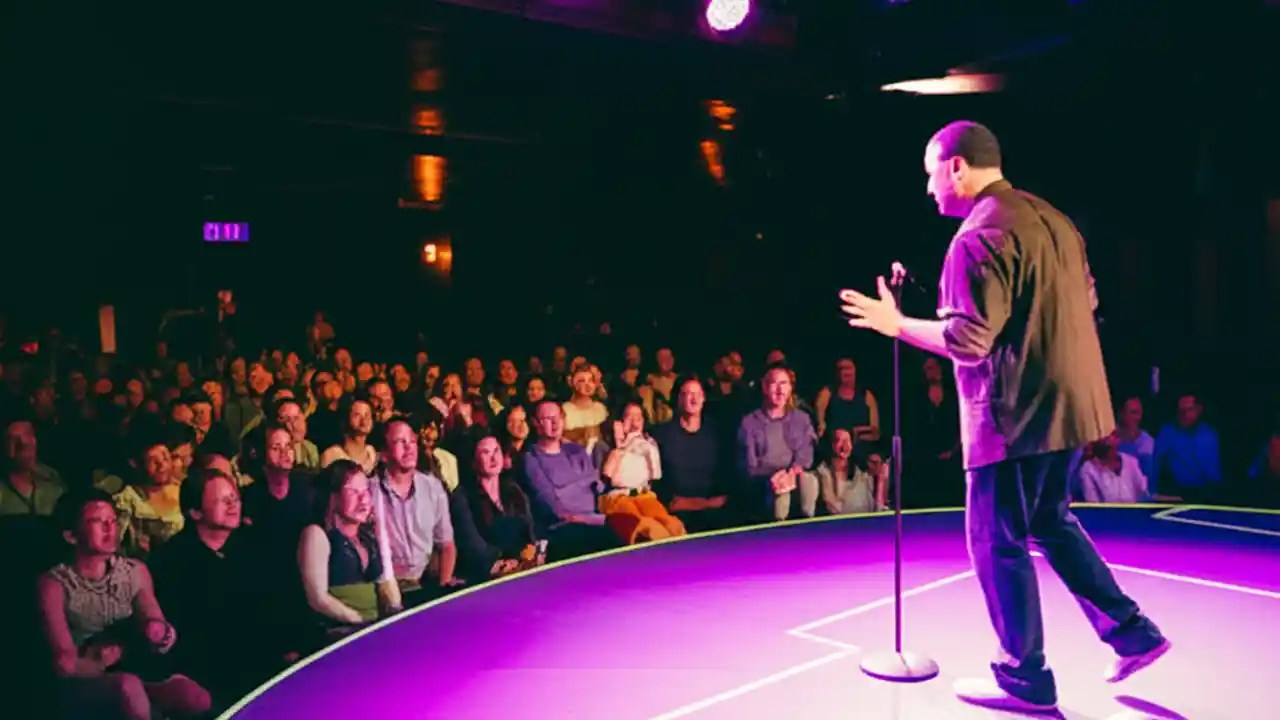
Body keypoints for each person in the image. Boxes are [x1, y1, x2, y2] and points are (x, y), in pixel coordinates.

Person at [839, 120, 1169, 713]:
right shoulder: (1055, 220)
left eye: (931, 174)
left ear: (957, 166)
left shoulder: (977, 236)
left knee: (996, 540)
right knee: (1051, 521)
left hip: (1015, 416)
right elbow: (1088, 299)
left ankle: (1024, 678)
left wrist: (896, 326)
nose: (929, 189)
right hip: (1074, 405)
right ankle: (1132, 632)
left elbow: (968, 341)